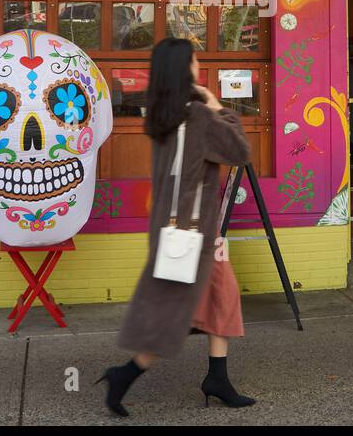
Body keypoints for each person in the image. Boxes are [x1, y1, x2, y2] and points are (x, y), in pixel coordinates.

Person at [99, 37, 255, 416]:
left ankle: (217, 377)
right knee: (172, 314)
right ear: (186, 68)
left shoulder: (163, 116)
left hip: (176, 229)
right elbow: (240, 152)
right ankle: (125, 374)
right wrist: (217, 105)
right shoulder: (199, 116)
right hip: (190, 235)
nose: (200, 64)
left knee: (222, 296)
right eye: (196, 59)